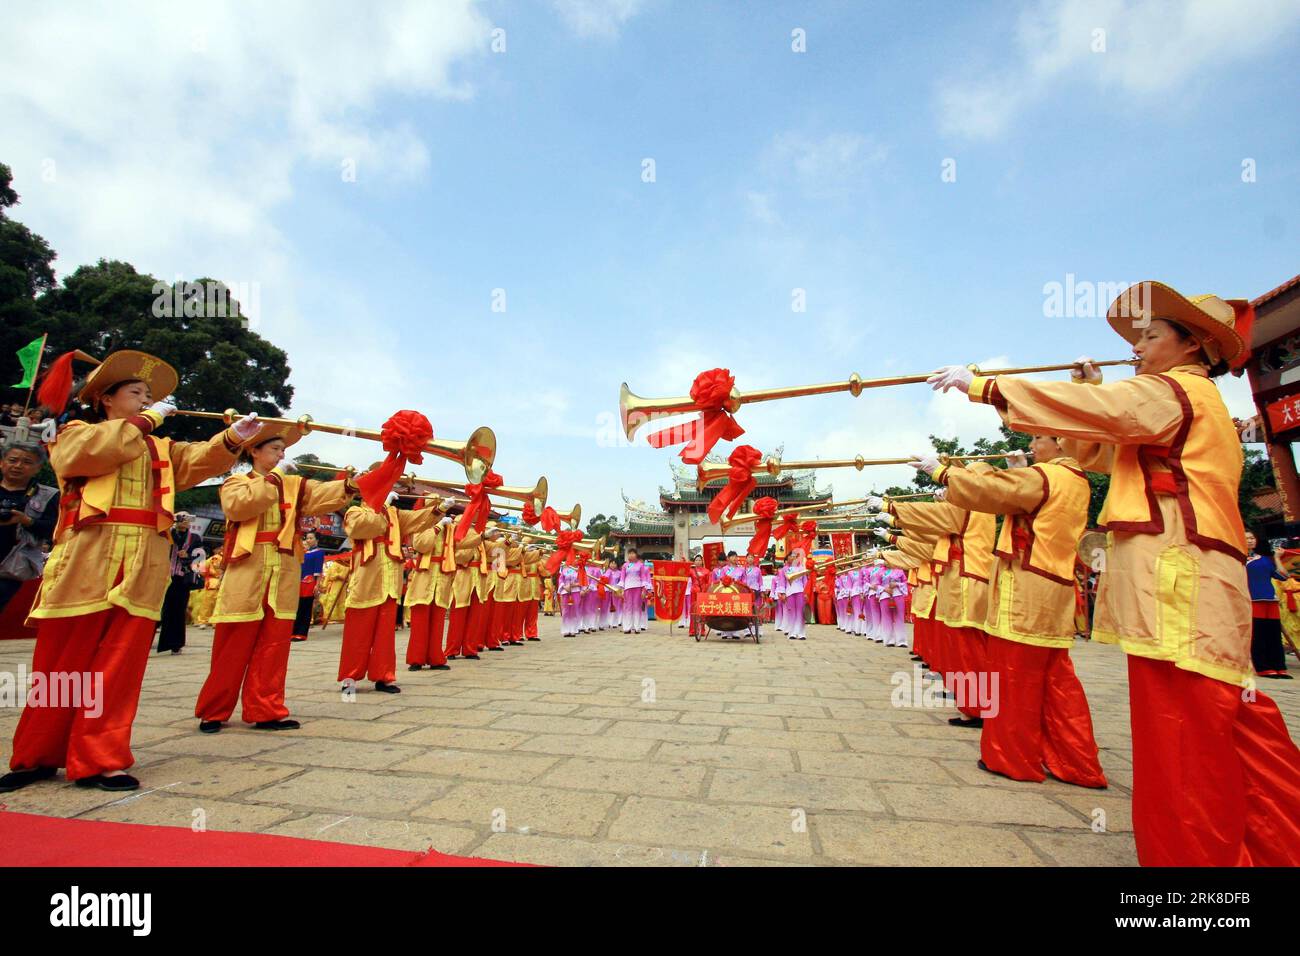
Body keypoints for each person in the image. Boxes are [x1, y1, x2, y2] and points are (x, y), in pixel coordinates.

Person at [929, 280, 1300, 865]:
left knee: (1183, 738)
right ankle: (1275, 844)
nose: (1139, 348)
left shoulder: (1178, 392)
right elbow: (1108, 439)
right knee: (1231, 725)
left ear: (1193, 344)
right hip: (1191, 583)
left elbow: (1109, 416)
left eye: (1151, 336)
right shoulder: (1181, 401)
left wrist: (989, 386)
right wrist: (1091, 390)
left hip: (1182, 584)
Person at [1, 349, 259, 793]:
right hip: (87, 556)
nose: (145, 400)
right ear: (105, 398)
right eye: (136, 393)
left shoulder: (160, 447)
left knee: (120, 664)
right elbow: (80, 460)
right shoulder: (76, 432)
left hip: (143, 562)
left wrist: (231, 440)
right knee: (61, 663)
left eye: (148, 396)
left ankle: (100, 758)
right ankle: (37, 755)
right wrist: (147, 422)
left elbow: (197, 461)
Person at [914, 438, 1107, 788]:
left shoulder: (1046, 476)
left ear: (1060, 443)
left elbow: (989, 490)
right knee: (1056, 681)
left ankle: (1012, 758)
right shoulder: (1074, 479)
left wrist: (943, 473)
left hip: (1026, 590)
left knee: (1013, 676)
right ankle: (1076, 761)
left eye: (1039, 440)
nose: (1031, 446)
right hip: (1052, 587)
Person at [195, 430, 357, 732]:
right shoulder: (236, 482)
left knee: (274, 646)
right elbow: (240, 507)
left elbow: (322, 495)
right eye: (275, 449)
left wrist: (351, 484)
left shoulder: (293, 485)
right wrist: (276, 478)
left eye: (282, 450)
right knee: (232, 646)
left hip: (283, 570)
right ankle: (214, 711)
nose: (281, 455)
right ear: (254, 452)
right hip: (249, 568)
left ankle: (266, 709)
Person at [338, 482, 438, 693]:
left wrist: (440, 509)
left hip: (389, 581)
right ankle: (350, 679)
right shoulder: (356, 511)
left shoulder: (394, 513)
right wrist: (380, 505)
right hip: (366, 580)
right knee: (358, 633)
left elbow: (417, 520)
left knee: (385, 634)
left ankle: (384, 676)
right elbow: (361, 528)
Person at [0, 439, 59, 616]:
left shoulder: (48, 495)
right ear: (2, 462)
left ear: (38, 468)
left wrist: (26, 521)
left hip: (11, 567)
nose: (18, 466)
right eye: (13, 460)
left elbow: (54, 530)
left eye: (27, 462)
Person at [405, 507, 456, 670]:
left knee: (438, 623)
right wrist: (438, 526)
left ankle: (436, 658)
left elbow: (463, 544)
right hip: (424, 578)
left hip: (441, 579)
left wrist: (482, 535)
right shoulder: (422, 525)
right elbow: (421, 545)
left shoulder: (450, 529)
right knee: (420, 622)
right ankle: (416, 659)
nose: (442, 513)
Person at [156, 512, 203, 654]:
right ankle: (145, 641)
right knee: (158, 609)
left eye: (187, 519)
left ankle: (175, 644)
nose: (185, 521)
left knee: (178, 611)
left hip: (182, 578)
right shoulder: (167, 534)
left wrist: (188, 556)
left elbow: (200, 557)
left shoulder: (195, 538)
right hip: (164, 576)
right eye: (182, 519)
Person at [1245, 531, 1291, 679]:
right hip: (1252, 600)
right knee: (1259, 634)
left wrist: (1277, 558)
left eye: (1252, 538)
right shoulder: (1238, 560)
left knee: (1273, 634)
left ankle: (1279, 666)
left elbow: (1284, 576)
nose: (1250, 541)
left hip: (1270, 600)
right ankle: (1263, 667)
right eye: (1246, 539)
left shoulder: (1265, 560)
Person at [291, 531, 326, 642]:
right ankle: (294, 632)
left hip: (309, 582)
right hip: (299, 582)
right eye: (307, 538)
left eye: (311, 538)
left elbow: (318, 570)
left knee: (305, 608)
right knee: (298, 607)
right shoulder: (303, 552)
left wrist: (317, 585)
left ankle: (301, 633)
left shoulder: (319, 553)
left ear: (317, 540)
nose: (308, 540)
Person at [620, 548, 650, 633]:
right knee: (627, 607)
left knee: (637, 607)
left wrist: (644, 590)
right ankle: (627, 628)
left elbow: (643, 577)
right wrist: (621, 589)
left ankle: (637, 628)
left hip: (638, 587)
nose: (631, 555)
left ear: (636, 555)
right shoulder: (625, 565)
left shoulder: (640, 565)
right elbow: (622, 578)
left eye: (633, 553)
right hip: (627, 588)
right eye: (629, 553)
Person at [784, 549, 808, 640]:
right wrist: (782, 593)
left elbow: (805, 581)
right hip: (790, 592)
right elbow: (783, 582)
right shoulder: (785, 569)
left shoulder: (802, 568)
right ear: (789, 558)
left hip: (800, 591)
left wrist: (806, 593)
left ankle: (801, 633)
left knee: (800, 612)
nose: (793, 558)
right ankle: (792, 632)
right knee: (792, 612)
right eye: (791, 556)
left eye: (795, 556)